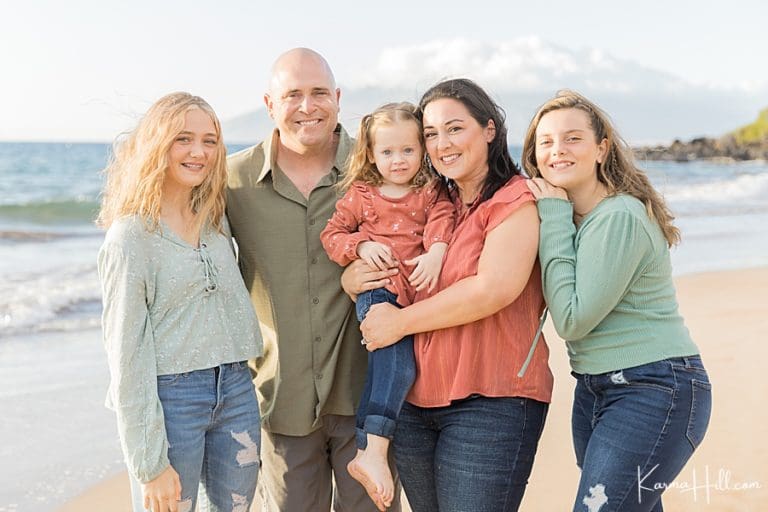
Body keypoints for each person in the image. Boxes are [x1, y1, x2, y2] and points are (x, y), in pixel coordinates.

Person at [345, 78, 553, 512]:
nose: (442, 144)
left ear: (489, 130)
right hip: (416, 403)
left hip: (491, 402)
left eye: (455, 129)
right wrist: (354, 276)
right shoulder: (435, 202)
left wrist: (399, 323)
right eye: (431, 135)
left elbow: (491, 289)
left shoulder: (515, 199)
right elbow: (389, 265)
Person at [226, 48, 401, 511]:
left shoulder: (378, 168)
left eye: (319, 92)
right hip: (280, 399)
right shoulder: (231, 181)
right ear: (269, 104)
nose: (308, 107)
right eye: (293, 95)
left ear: (338, 98)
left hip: (368, 399)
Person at [522, 89, 712, 511]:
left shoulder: (618, 217)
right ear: (534, 157)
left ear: (601, 148)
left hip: (654, 388)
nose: (558, 151)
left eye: (573, 138)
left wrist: (552, 218)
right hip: (595, 388)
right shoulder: (577, 219)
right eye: (546, 142)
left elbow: (571, 321)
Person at [97, 92, 263, 512]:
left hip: (237, 390)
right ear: (157, 144)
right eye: (183, 139)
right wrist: (149, 462)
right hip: (172, 401)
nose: (199, 151)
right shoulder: (131, 238)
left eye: (210, 140)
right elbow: (126, 356)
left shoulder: (214, 218)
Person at [320, 102, 454, 510]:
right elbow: (332, 234)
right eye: (388, 152)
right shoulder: (363, 196)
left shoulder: (431, 193)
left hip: (413, 298)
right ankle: (372, 451)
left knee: (396, 368)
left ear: (422, 151)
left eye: (408, 151)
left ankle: (370, 449)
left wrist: (436, 252)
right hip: (379, 292)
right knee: (396, 364)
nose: (398, 161)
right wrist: (361, 245)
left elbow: (443, 220)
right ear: (372, 154)